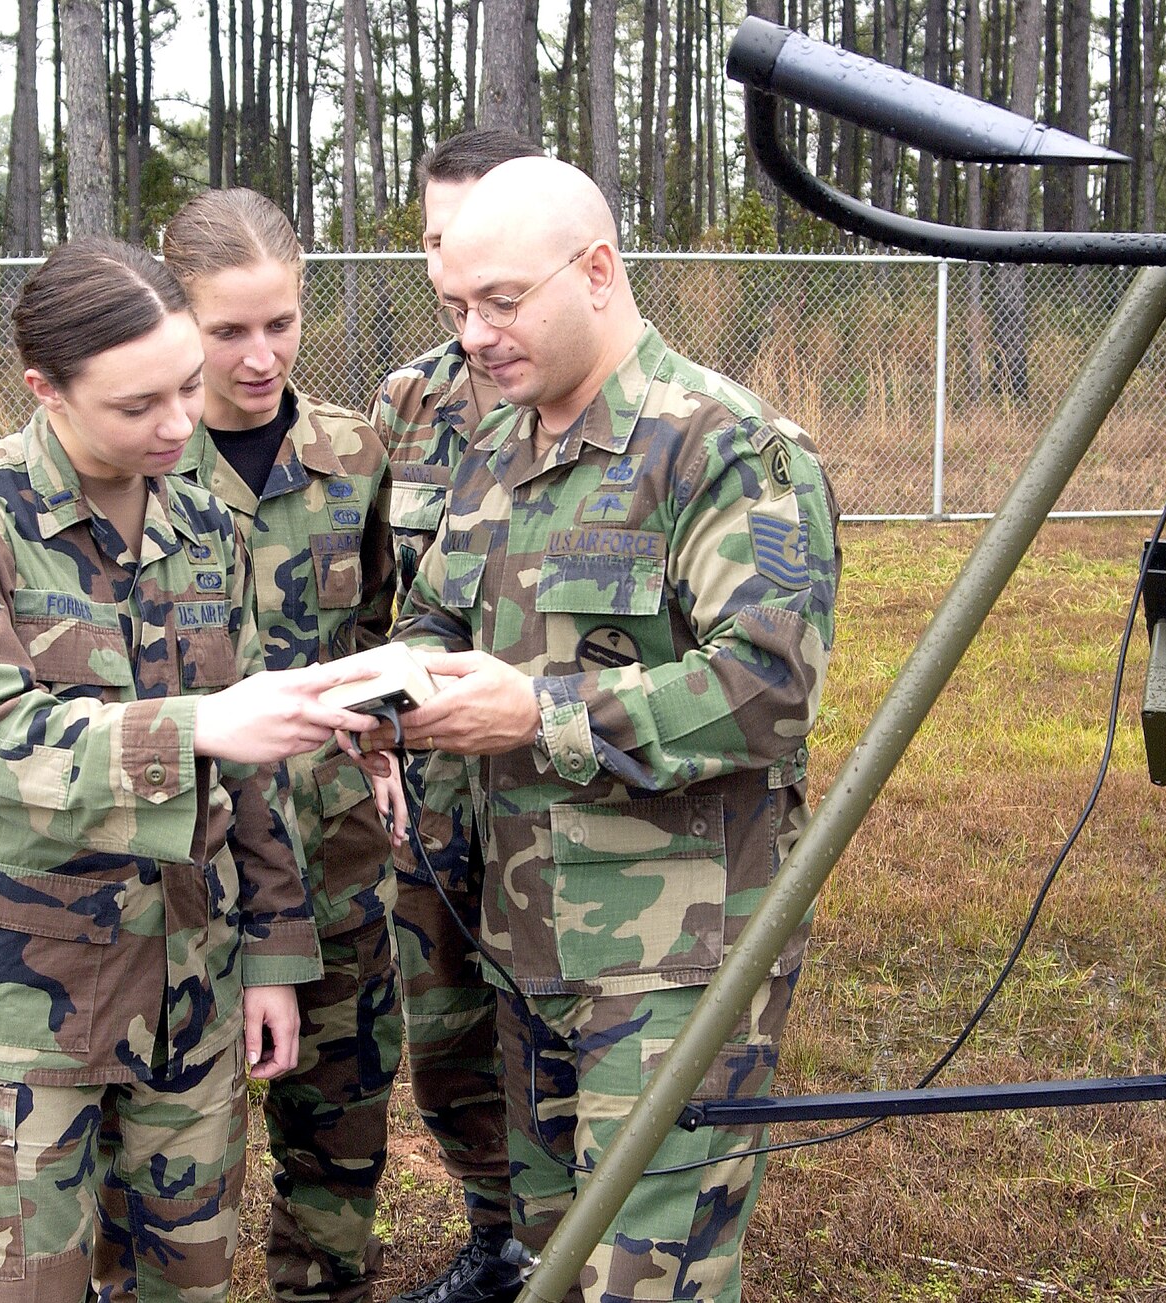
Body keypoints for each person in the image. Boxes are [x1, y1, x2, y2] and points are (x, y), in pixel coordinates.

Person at [365, 157, 840, 1303]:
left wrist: (538, 711)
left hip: (674, 955)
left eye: (501, 302)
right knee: (552, 1254)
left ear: (595, 272)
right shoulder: (498, 447)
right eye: (455, 307)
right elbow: (435, 609)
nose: (472, 336)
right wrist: (393, 694)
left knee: (645, 1274)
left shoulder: (723, 448)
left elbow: (768, 683)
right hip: (527, 936)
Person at [0, 236, 381, 1303]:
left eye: (187, 387)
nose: (177, 424)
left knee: (184, 1280)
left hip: (190, 992)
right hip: (25, 1005)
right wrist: (198, 725)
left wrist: (273, 954)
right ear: (46, 390)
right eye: (136, 404)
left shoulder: (199, 520)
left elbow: (253, 766)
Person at [162, 189, 403, 1303]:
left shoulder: (353, 452)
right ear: (176, 319)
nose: (260, 357)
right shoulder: (142, 460)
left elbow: (383, 628)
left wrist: (384, 741)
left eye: (281, 323)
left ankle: (325, 1282)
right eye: (227, 331)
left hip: (337, 853)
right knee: (176, 1150)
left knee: (342, 1123)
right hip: (191, 864)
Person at [368, 128, 541, 1303]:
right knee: (443, 1040)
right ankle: (497, 1234)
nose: (452, 265)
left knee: (555, 1036)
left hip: (550, 781)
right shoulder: (409, 399)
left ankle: (582, 1230)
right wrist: (379, 740)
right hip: (432, 796)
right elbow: (384, 597)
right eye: (435, 239)